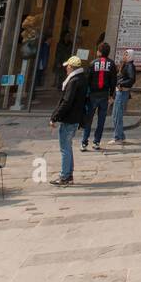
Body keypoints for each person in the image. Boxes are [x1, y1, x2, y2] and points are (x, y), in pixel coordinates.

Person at [49, 56, 88, 185]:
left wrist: (55, 116)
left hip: (69, 118)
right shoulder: (82, 79)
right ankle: (68, 174)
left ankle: (65, 176)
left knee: (65, 148)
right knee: (68, 147)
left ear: (71, 67)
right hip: (76, 117)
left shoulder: (73, 81)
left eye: (67, 66)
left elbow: (66, 101)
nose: (66, 68)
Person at [81, 44, 115, 151]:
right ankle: (96, 142)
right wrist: (111, 94)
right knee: (101, 120)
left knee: (88, 119)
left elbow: (87, 80)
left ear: (99, 52)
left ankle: (84, 142)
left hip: (93, 95)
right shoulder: (111, 64)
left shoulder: (93, 63)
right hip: (104, 94)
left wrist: (86, 94)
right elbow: (113, 81)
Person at [112, 49, 137, 143]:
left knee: (117, 115)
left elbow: (131, 79)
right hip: (120, 92)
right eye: (124, 54)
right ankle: (120, 136)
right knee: (116, 115)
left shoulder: (130, 66)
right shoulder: (126, 65)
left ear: (130, 56)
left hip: (122, 92)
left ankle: (118, 137)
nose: (125, 56)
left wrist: (121, 84)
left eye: (127, 54)